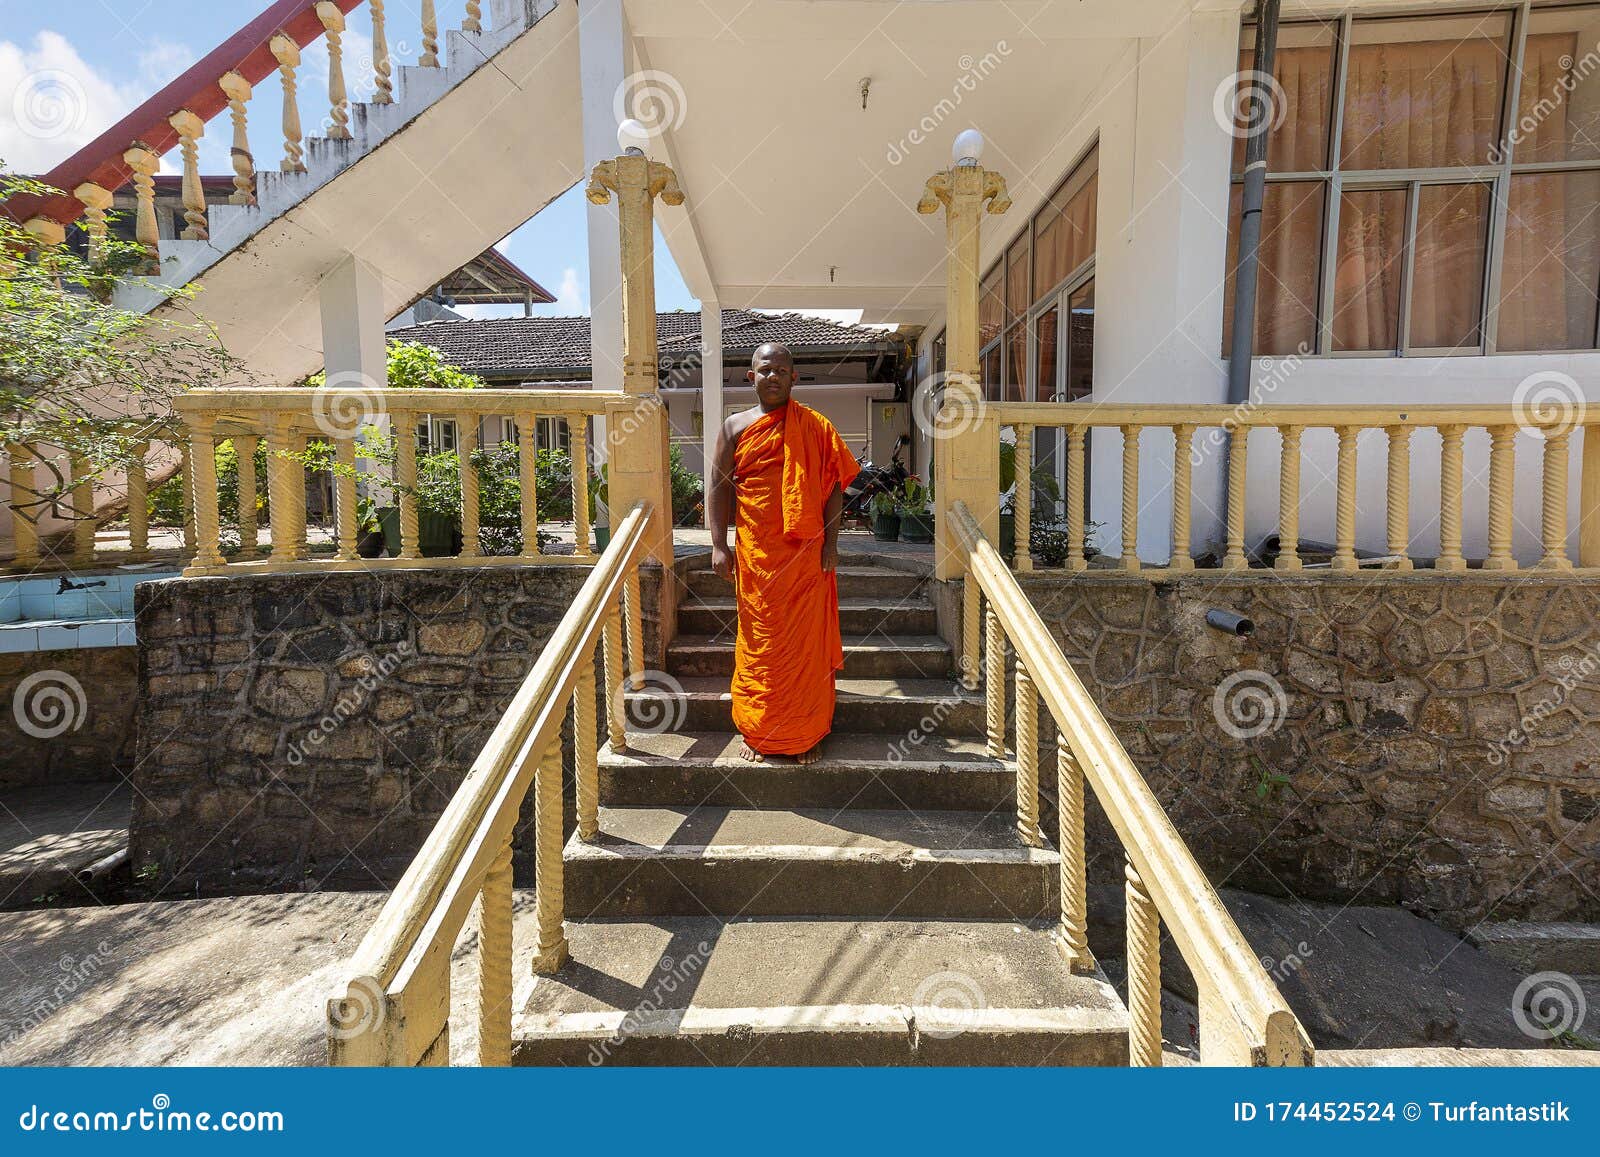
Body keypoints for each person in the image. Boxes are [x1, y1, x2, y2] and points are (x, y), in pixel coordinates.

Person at [709, 342, 859, 764]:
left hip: (806, 556)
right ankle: (759, 730)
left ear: (794, 377)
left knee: (805, 646)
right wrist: (718, 545)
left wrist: (831, 544)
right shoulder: (734, 427)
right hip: (757, 557)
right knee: (761, 641)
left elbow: (833, 487)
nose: (772, 376)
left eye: (780, 370)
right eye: (764, 370)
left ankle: (805, 733)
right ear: (750, 377)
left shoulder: (815, 426)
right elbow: (718, 487)